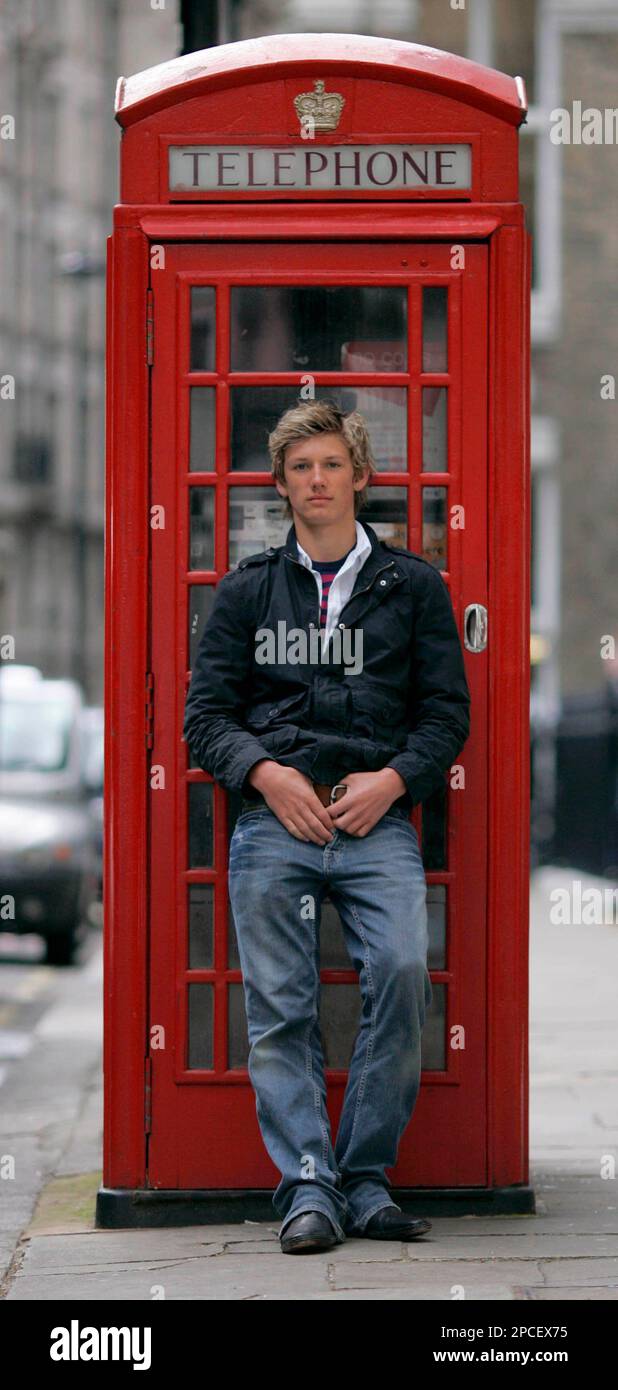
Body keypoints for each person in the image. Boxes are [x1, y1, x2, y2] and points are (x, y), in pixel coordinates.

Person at [183, 400, 471, 1254]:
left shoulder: (413, 587)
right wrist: (267, 775)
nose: (317, 481)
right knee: (280, 1007)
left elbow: (446, 713)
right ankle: (309, 1181)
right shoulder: (246, 591)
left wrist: (392, 781)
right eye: (301, 469)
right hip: (276, 823)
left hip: (373, 819)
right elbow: (205, 717)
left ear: (360, 477)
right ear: (280, 485)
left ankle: (367, 1173)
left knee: (402, 973)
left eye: (332, 466)